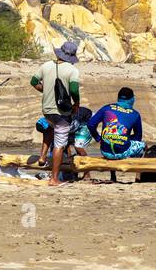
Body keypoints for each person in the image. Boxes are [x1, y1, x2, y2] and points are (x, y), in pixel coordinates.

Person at [30, 41, 80, 185]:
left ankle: (42, 157)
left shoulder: (46, 66)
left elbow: (33, 81)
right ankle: (54, 179)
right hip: (62, 112)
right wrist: (76, 103)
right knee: (59, 144)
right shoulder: (72, 70)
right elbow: (75, 90)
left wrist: (44, 90)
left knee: (51, 129)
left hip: (46, 111)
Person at [88, 87, 146, 160]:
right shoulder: (135, 114)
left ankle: (113, 171)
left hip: (105, 151)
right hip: (122, 153)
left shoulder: (106, 108)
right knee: (143, 145)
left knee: (113, 142)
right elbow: (138, 137)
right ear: (132, 99)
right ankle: (135, 168)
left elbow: (90, 124)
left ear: (118, 98)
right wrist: (123, 138)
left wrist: (98, 138)